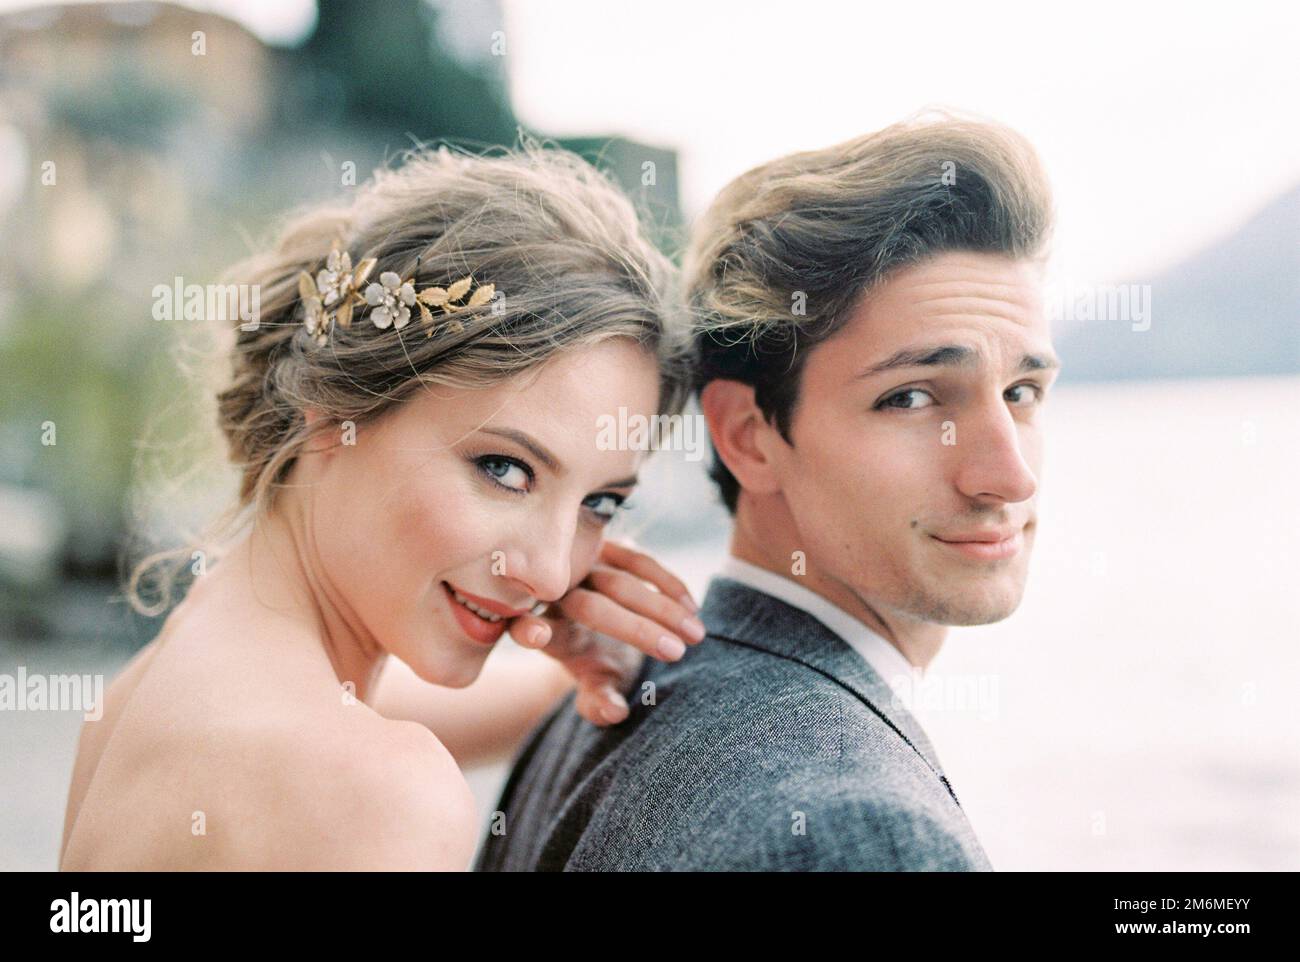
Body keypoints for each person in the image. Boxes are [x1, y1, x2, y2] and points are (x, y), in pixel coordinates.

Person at [58, 144, 703, 870]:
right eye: (504, 468)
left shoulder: (152, 691)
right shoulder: (377, 793)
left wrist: (570, 668)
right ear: (334, 405)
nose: (552, 576)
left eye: (600, 503)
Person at [476, 113, 1060, 871]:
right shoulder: (859, 832)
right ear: (747, 434)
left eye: (1022, 391)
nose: (1009, 475)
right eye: (913, 398)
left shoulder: (597, 712)